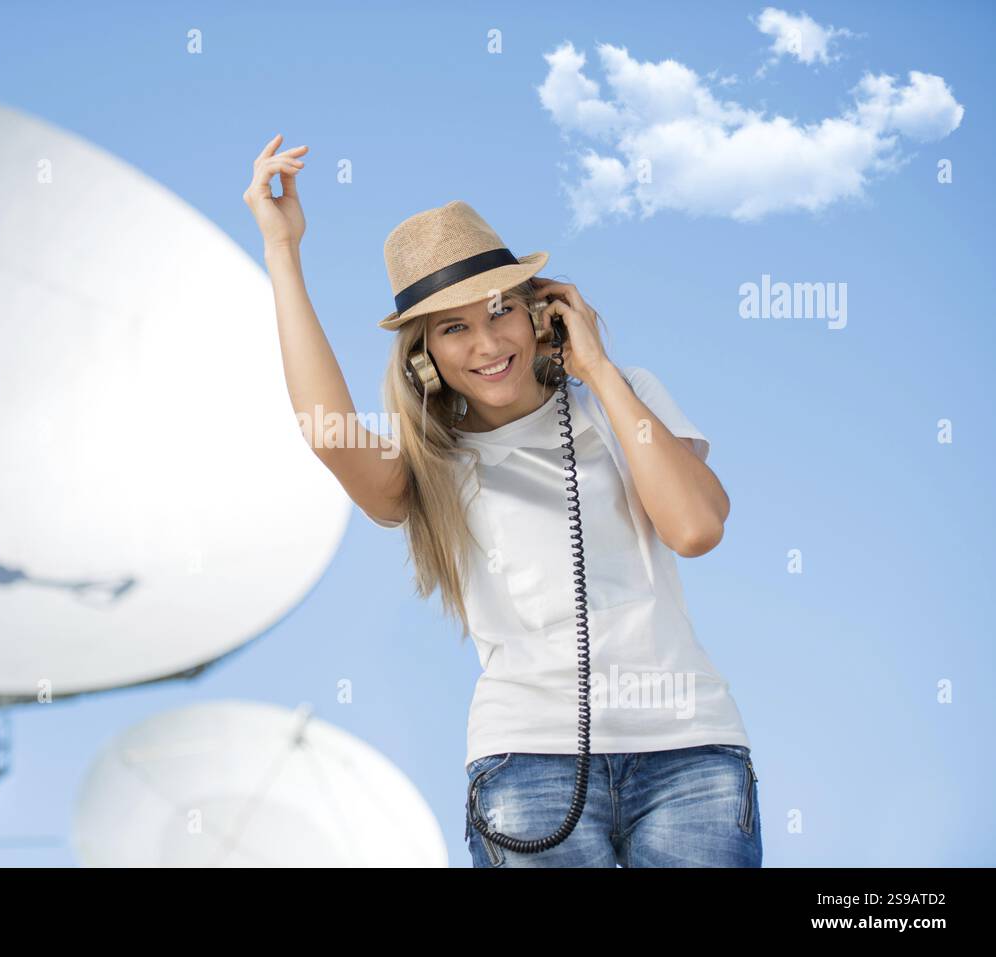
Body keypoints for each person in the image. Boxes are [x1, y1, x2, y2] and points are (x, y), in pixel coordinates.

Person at [243, 133, 761, 868]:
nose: (487, 343)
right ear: (424, 354)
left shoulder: (626, 397)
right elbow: (329, 435)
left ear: (539, 312)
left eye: (500, 313)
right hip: (529, 760)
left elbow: (696, 526)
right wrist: (282, 251)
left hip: (689, 750)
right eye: (454, 328)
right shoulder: (431, 461)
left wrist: (598, 368)